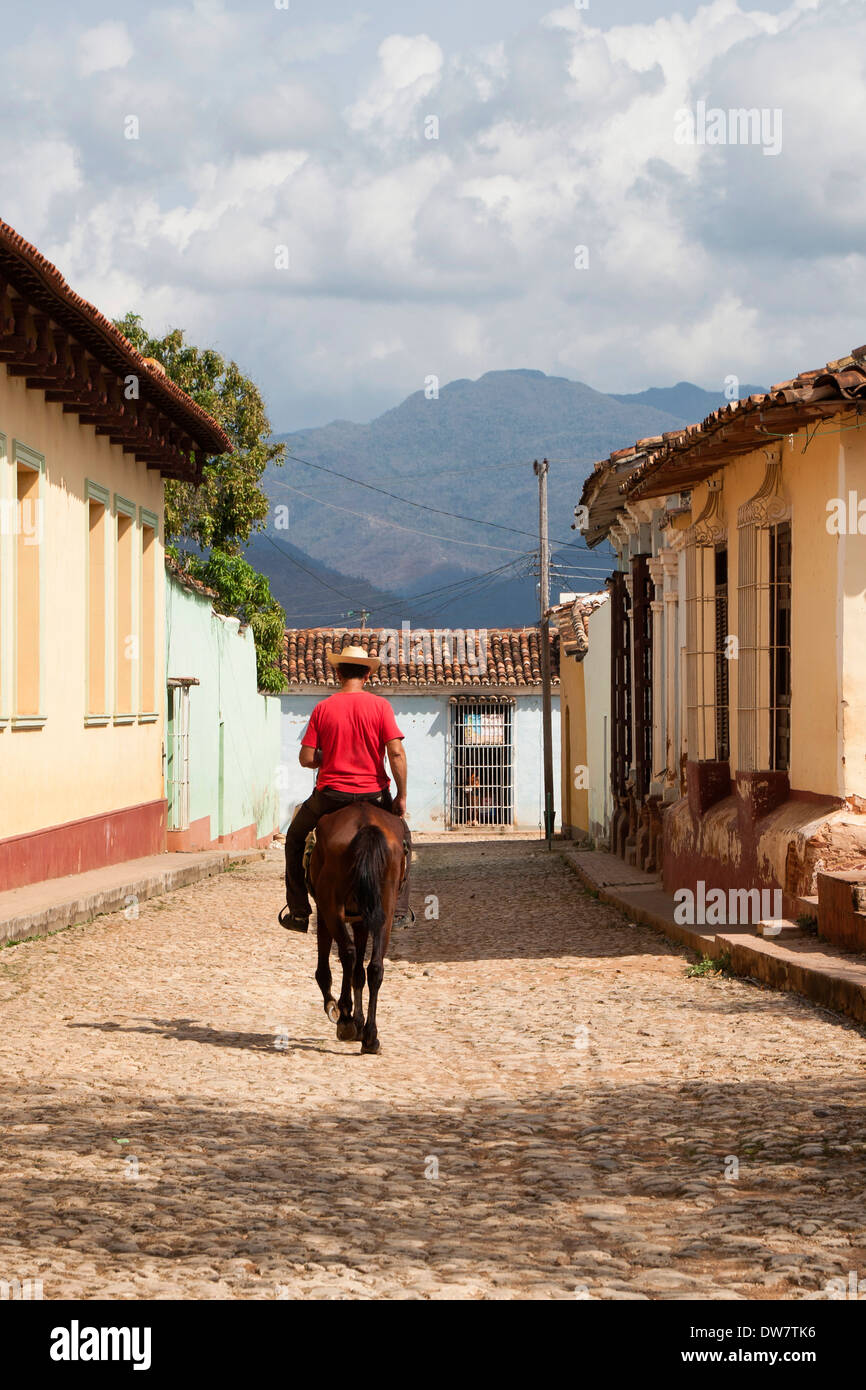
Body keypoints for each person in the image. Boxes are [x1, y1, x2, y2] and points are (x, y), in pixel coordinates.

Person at [280, 644, 415, 932]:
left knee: (294, 838)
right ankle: (400, 910)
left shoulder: (323, 708)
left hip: (330, 797)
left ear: (339, 673)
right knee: (403, 838)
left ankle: (300, 912)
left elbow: (305, 758)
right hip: (374, 795)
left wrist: (322, 758)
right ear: (367, 675)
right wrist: (401, 796)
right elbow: (396, 754)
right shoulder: (381, 707)